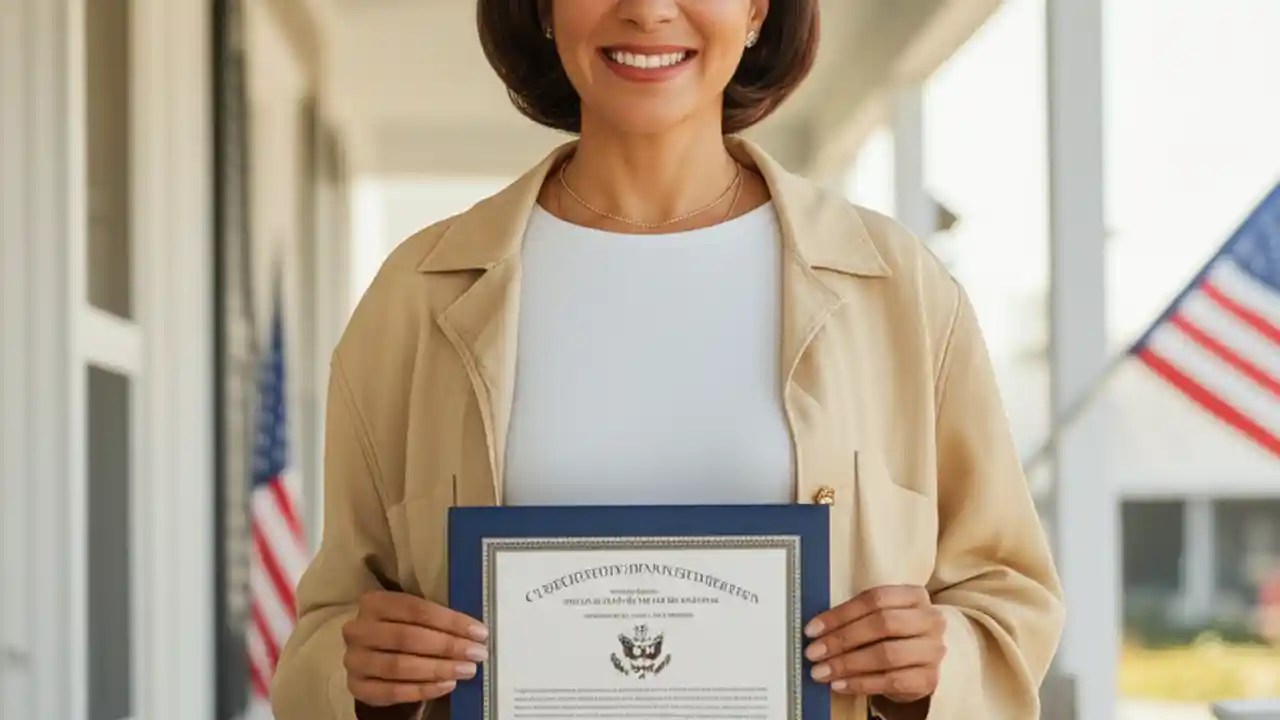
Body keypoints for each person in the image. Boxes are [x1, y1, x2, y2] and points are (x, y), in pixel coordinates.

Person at [271, 1, 1065, 718]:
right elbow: (326, 636)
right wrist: (363, 680)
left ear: (758, 10)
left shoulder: (896, 287)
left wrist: (933, 662)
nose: (649, 11)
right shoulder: (417, 293)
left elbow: (1008, 601)